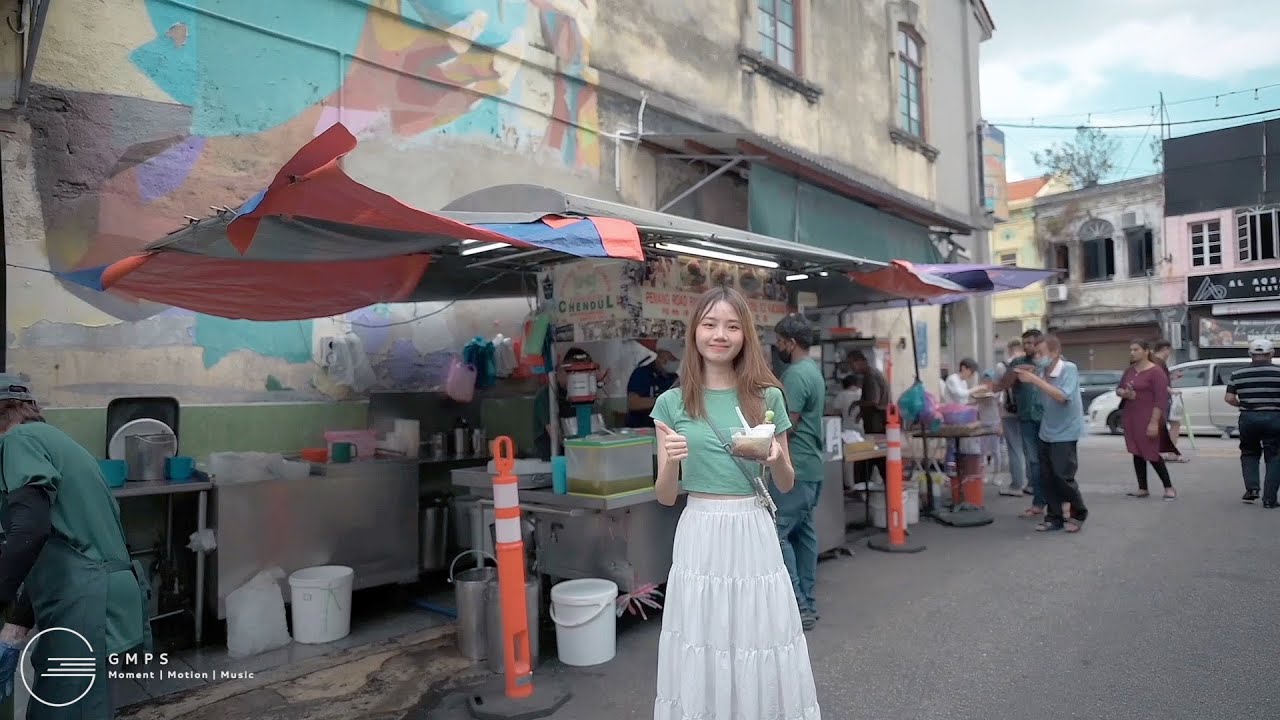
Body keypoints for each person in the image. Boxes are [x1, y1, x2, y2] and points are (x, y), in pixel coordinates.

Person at [650, 287, 820, 719]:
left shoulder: (768, 397)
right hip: (700, 528)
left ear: (745, 335)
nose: (720, 335)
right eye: (710, 324)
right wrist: (670, 462)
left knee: (757, 633)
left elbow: (786, 483)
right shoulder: (671, 404)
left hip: (752, 526)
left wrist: (777, 457)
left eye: (731, 326)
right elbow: (665, 496)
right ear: (695, 332)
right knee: (703, 636)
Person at [0, 375, 150, 716]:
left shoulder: (18, 441)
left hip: (86, 602)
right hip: (97, 597)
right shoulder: (55, 441)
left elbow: (29, 532)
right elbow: (51, 545)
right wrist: (15, 629)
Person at [773, 314, 827, 631]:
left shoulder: (794, 375)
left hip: (796, 466)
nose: (778, 347)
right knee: (804, 534)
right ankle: (809, 601)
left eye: (780, 341)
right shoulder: (813, 371)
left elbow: (786, 425)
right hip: (812, 467)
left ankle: (799, 605)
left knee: (778, 533)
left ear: (791, 343)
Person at [1014, 335, 1089, 533]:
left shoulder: (1068, 369)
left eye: (1041, 353)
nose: (1037, 357)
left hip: (1066, 431)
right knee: (1046, 476)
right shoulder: (1041, 371)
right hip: (1046, 430)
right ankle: (1054, 517)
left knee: (1062, 476)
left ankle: (1078, 513)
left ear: (1055, 352)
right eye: (1036, 354)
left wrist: (1034, 380)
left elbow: (1062, 397)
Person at [1116, 340, 1178, 500]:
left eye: (1136, 349)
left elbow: (1160, 400)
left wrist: (1154, 422)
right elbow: (1119, 388)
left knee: (1150, 451)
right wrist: (1124, 393)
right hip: (1131, 415)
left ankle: (1168, 486)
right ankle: (1142, 487)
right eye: (1131, 349)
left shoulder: (1156, 372)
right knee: (1136, 451)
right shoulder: (1130, 370)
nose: (1132, 352)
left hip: (1148, 415)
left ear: (1146, 351)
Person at [1224, 338, 1280, 507]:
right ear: (1271, 354)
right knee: (1275, 457)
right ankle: (1269, 499)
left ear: (1250, 354)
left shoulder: (1238, 374)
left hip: (1248, 418)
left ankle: (1252, 489)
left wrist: (1244, 405)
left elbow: (1229, 398)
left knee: (1249, 452)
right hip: (1275, 417)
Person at [998, 329, 1047, 517]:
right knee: (1033, 460)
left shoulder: (1048, 363)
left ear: (1039, 344)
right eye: (1024, 343)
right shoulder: (1018, 362)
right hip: (1026, 417)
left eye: (1030, 343)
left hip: (1048, 418)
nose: (1027, 346)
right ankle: (1038, 502)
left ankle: (1059, 503)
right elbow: (1003, 385)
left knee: (1051, 461)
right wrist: (1015, 372)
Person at [997, 340, 1028, 497]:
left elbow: (999, 387)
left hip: (1009, 411)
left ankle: (1016, 485)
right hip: (1027, 410)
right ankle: (1032, 484)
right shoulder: (1030, 362)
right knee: (1028, 448)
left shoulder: (1003, 365)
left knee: (1014, 448)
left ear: (1009, 349)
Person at [625, 346, 680, 427]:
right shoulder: (641, 374)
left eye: (677, 360)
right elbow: (633, 403)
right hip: (641, 427)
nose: (675, 363)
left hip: (664, 428)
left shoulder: (674, 378)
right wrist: (663, 401)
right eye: (672, 359)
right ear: (660, 358)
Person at [1151, 339, 1187, 462]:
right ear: (1165, 349)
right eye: (1169, 351)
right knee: (1171, 424)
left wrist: (1172, 377)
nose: (1169, 354)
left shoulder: (1155, 361)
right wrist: (1170, 391)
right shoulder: (1158, 362)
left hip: (1160, 398)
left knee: (1171, 424)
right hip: (1162, 398)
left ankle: (1166, 452)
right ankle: (1166, 452)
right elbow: (1157, 381)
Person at [849, 350, 890, 434]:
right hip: (877, 416)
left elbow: (873, 401)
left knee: (874, 440)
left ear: (860, 361)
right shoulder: (873, 373)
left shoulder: (870, 376)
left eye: (851, 363)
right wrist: (861, 413)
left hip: (876, 419)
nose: (850, 367)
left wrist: (856, 403)